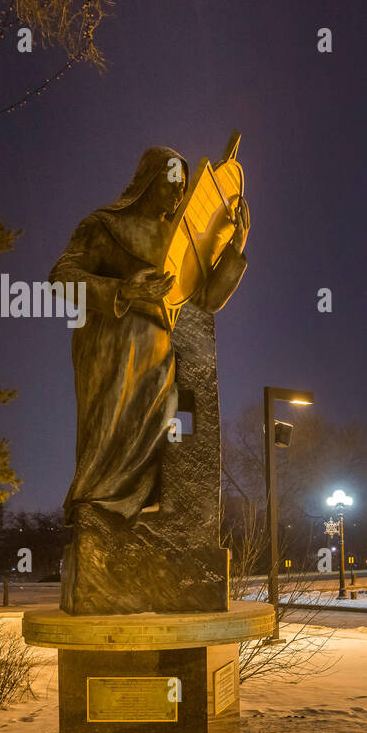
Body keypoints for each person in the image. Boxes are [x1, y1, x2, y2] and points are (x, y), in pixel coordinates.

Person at [51, 146, 249, 525]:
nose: (178, 194)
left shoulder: (178, 241)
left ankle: (136, 515)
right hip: (112, 347)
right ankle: (95, 506)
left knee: (157, 431)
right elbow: (60, 280)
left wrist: (233, 250)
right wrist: (123, 291)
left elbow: (204, 300)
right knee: (109, 434)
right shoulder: (103, 226)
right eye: (171, 183)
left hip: (159, 354)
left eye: (184, 188)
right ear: (147, 181)